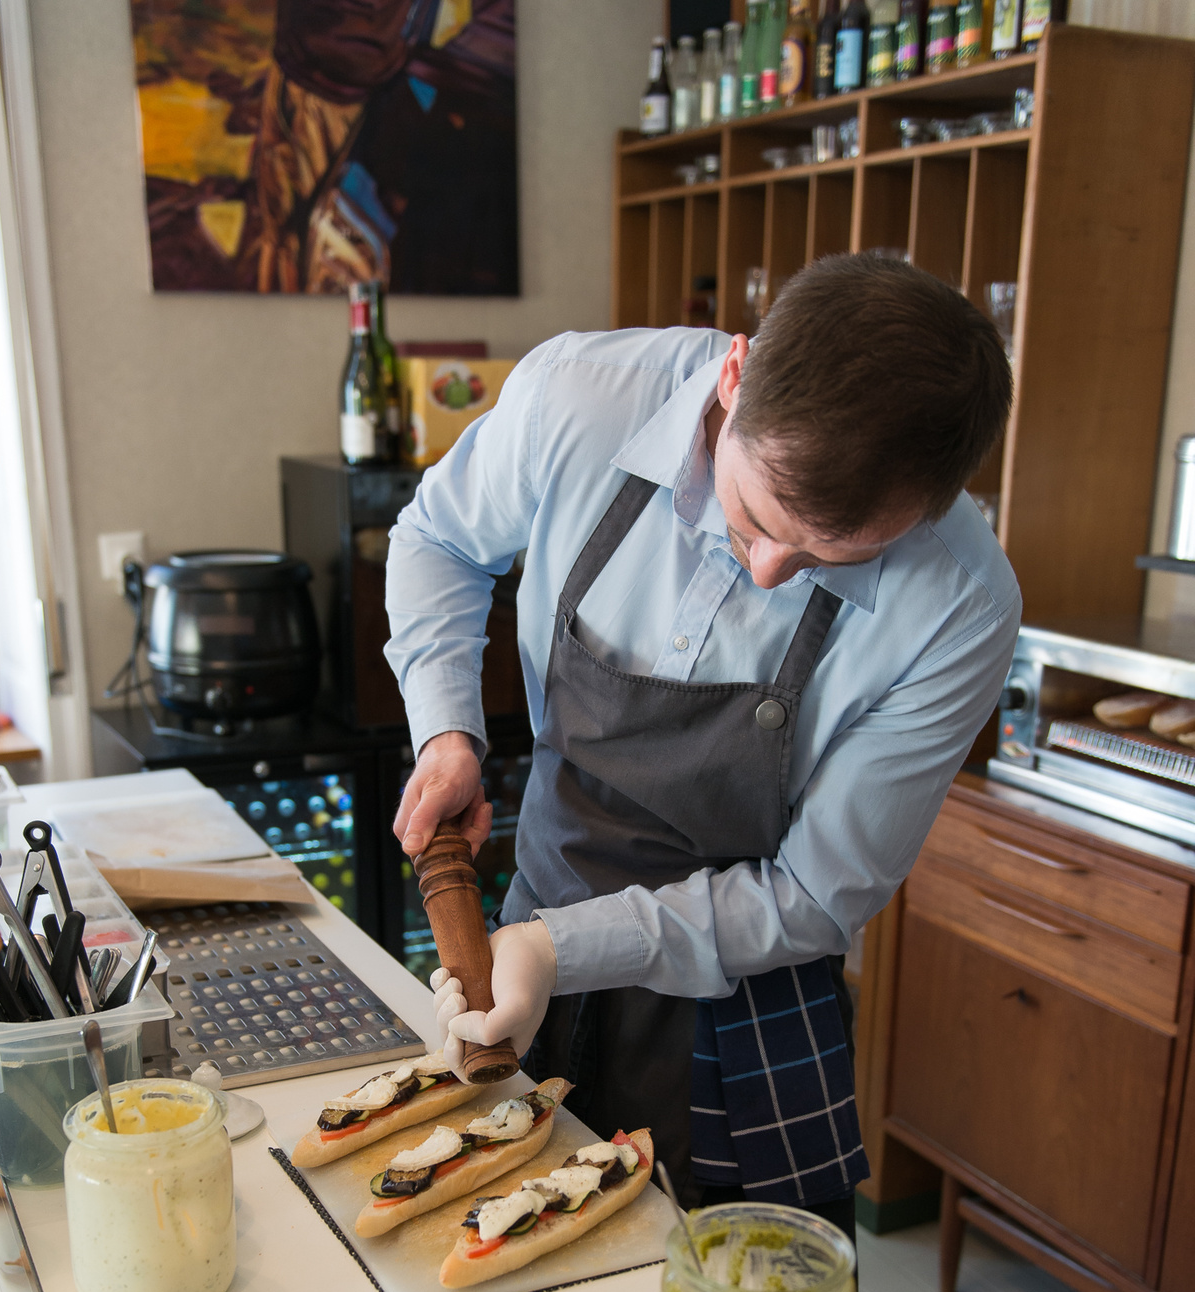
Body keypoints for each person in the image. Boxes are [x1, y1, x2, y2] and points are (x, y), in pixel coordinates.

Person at [384, 253, 1019, 1235]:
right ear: (735, 376)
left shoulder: (962, 604)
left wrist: (560, 948)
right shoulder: (581, 399)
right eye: (758, 518)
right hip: (532, 929)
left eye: (824, 563)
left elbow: (811, 896)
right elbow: (438, 539)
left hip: (750, 1015)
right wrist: (448, 732)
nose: (771, 572)